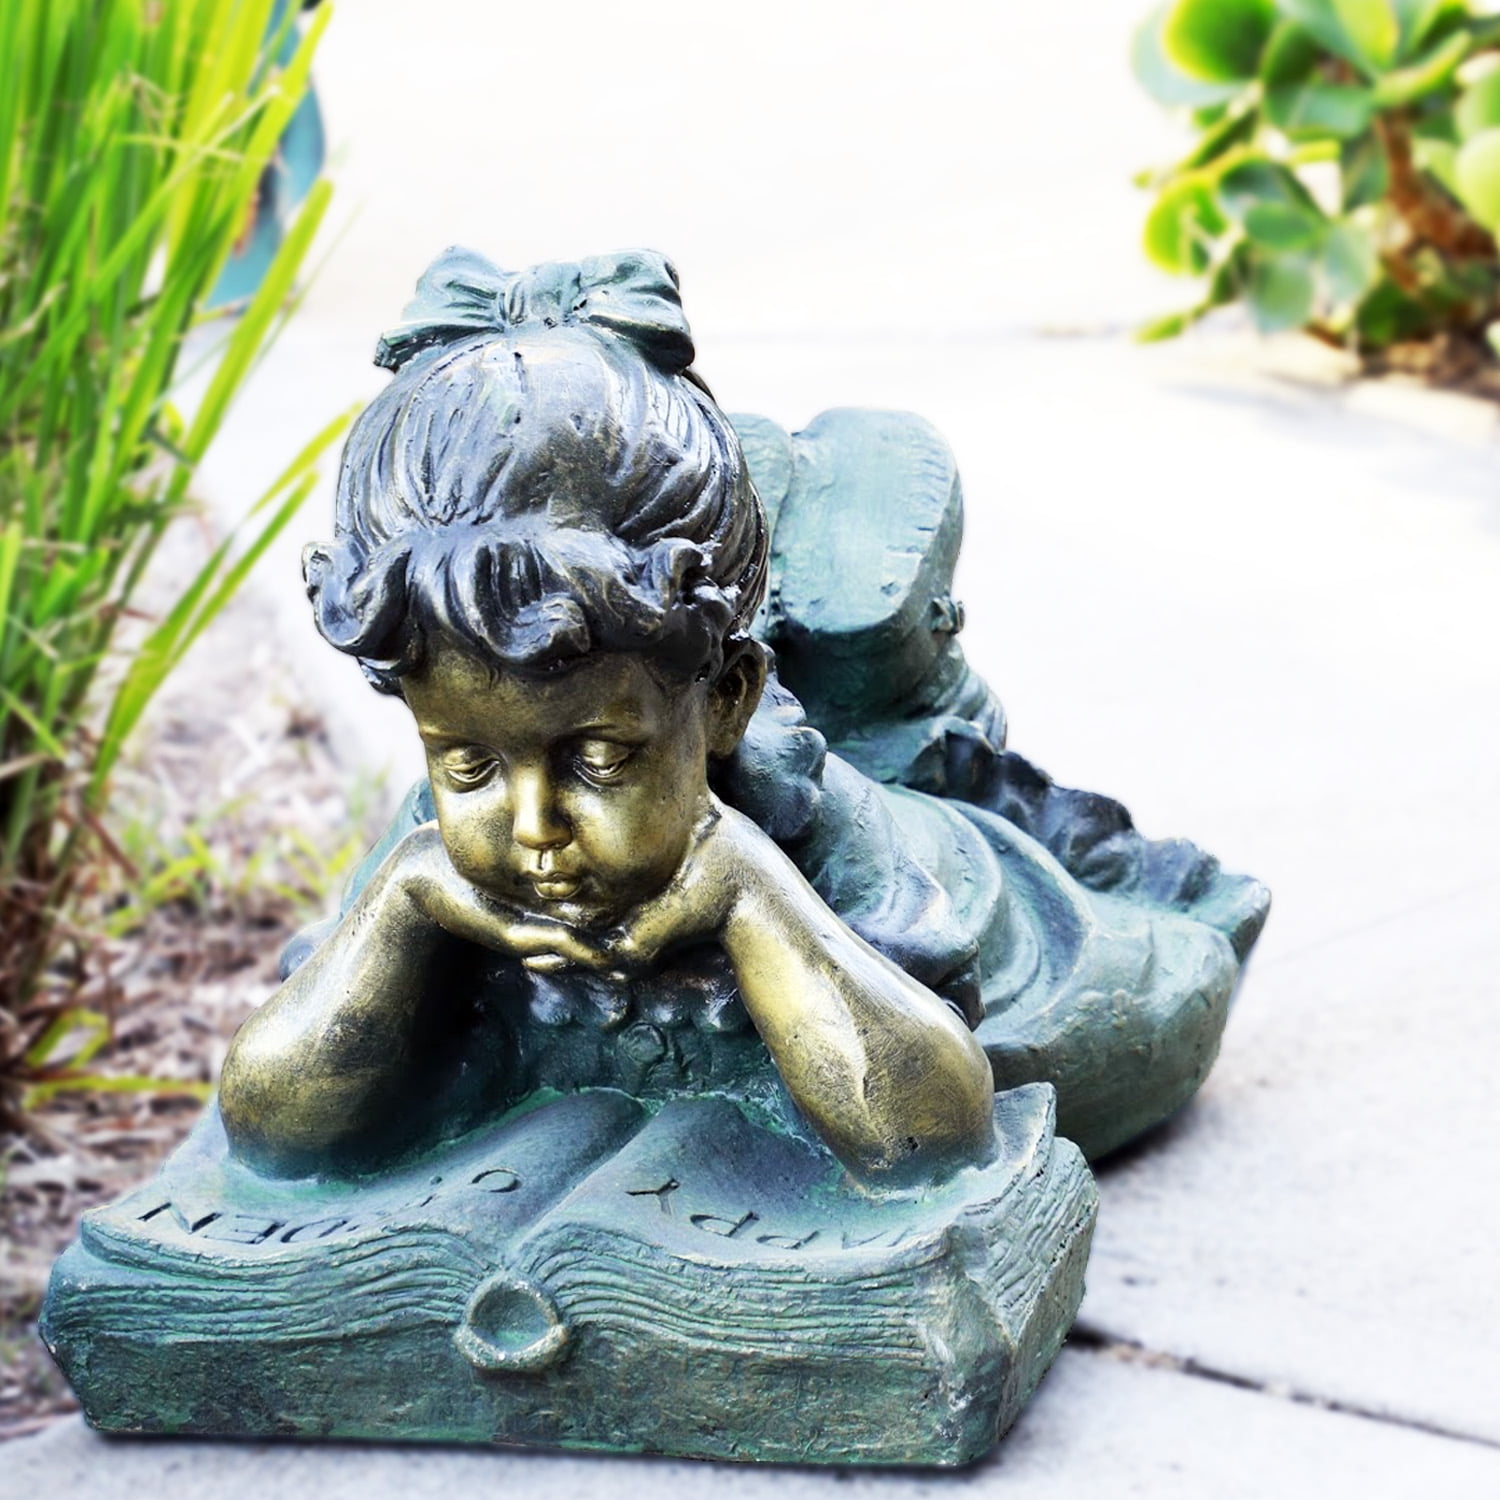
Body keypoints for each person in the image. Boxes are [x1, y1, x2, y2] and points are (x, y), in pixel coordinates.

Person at [220, 247, 1268, 1184]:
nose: (532, 826)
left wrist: (748, 892)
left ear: (725, 701)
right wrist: (405, 898)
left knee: (1158, 996)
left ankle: (860, 607)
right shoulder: (443, 842)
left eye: (595, 760)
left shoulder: (817, 832)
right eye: (468, 768)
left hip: (1002, 920)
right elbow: (269, 1127)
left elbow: (931, 1135)